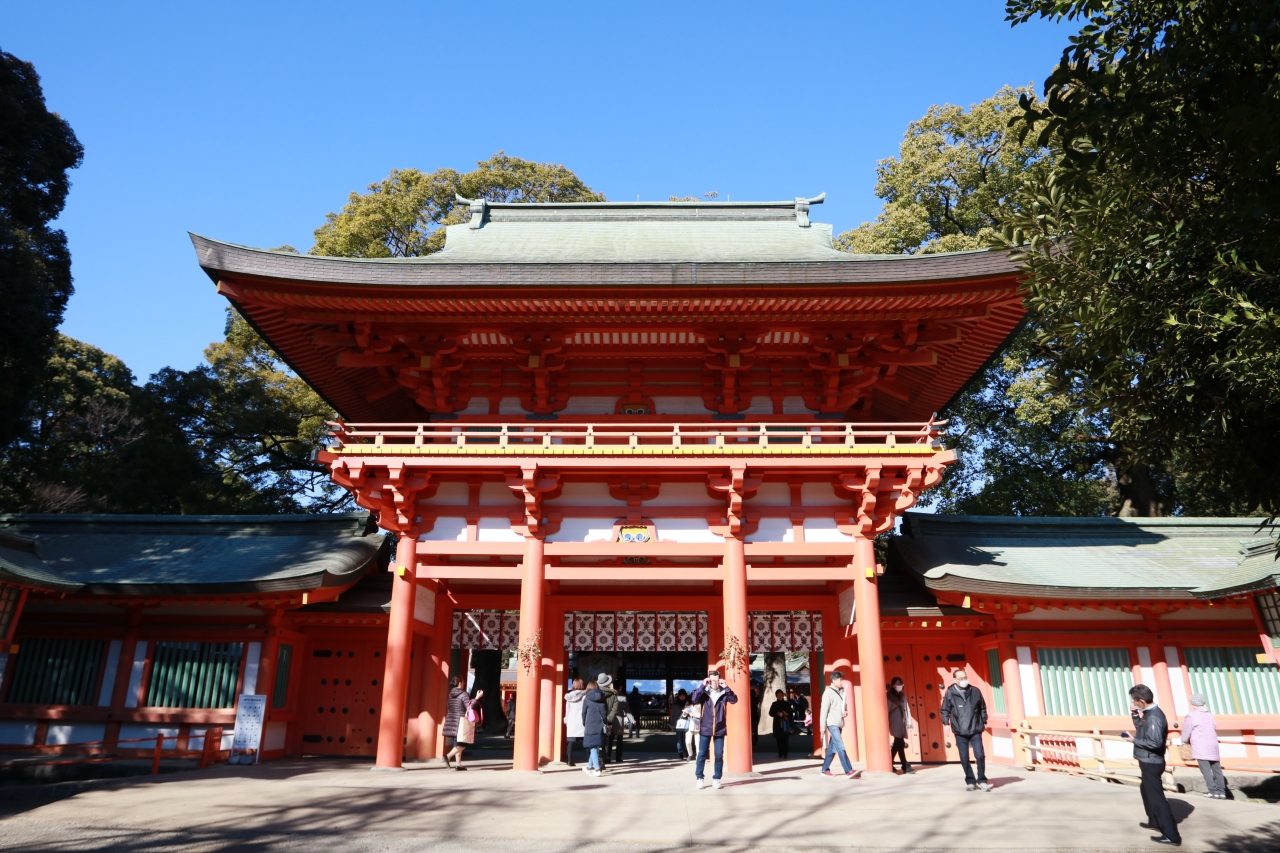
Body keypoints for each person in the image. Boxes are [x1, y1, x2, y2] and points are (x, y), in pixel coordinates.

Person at [1126, 684, 1182, 845]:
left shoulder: (1155, 717)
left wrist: (1133, 740)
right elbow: (1141, 728)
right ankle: (1154, 821)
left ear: (1142, 701)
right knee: (1146, 791)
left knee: (1157, 798)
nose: (1134, 703)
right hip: (1146, 759)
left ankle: (1172, 835)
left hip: (1152, 761)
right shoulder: (1148, 714)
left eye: (1135, 701)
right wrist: (1134, 714)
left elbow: (1155, 742)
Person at [940, 669, 988, 791]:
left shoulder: (975, 691)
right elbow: (945, 710)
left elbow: (982, 707)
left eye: (965, 677)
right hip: (960, 730)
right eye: (960, 679)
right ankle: (970, 780)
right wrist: (946, 724)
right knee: (964, 757)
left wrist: (984, 721)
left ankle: (982, 779)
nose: (964, 680)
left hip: (975, 728)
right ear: (955, 680)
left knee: (980, 755)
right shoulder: (950, 693)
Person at [689, 669, 737, 789]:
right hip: (706, 726)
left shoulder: (724, 692)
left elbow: (734, 700)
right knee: (702, 754)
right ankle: (699, 777)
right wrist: (702, 685)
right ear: (709, 680)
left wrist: (727, 687)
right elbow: (694, 699)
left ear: (719, 680)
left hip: (719, 727)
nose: (714, 682)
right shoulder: (704, 692)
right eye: (712, 680)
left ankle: (717, 778)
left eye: (716, 680)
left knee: (719, 755)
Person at [1183, 693, 1226, 799]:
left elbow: (1186, 731)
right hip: (1212, 745)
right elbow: (1214, 726)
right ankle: (1222, 792)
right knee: (1217, 769)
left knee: (1205, 769)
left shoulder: (1191, 715)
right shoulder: (1209, 715)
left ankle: (1212, 791)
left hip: (1200, 745)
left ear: (1193, 703)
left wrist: (1184, 740)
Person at [819, 671, 859, 778]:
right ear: (834, 680)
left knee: (833, 748)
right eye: (840, 679)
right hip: (832, 723)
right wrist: (822, 726)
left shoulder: (841, 692)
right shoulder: (828, 693)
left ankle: (825, 769)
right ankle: (848, 770)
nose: (842, 681)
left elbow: (842, 707)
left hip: (839, 722)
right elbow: (824, 711)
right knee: (840, 746)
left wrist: (844, 711)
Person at [444, 678, 483, 771]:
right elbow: (469, 707)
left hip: (452, 721)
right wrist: (477, 697)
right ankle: (448, 756)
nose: (464, 683)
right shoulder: (463, 694)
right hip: (461, 721)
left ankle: (458, 764)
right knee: (463, 743)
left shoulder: (451, 695)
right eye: (463, 682)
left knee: (457, 743)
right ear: (460, 683)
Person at [887, 677, 916, 774]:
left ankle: (889, 762)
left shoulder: (902, 695)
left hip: (902, 720)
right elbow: (886, 710)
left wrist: (909, 721)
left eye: (901, 683)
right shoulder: (888, 695)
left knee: (897, 743)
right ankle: (904, 764)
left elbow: (906, 708)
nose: (900, 686)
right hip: (894, 720)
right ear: (893, 685)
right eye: (897, 684)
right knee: (900, 742)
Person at [581, 679, 608, 777]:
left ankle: (597, 769)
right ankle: (588, 767)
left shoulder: (587, 699)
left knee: (592, 747)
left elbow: (583, 713)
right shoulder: (603, 698)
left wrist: (584, 723)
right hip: (600, 725)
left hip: (590, 725)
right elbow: (605, 713)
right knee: (595, 746)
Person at [598, 674, 622, 765]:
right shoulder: (614, 695)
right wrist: (609, 719)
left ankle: (598, 760)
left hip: (597, 720)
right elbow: (614, 709)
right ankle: (606, 758)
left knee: (597, 741)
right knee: (607, 741)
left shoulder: (595, 693)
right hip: (608, 721)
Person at [563, 678, 587, 767]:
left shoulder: (569, 697)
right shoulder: (584, 696)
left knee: (571, 741)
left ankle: (570, 760)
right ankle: (590, 759)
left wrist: (566, 719)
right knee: (586, 741)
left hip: (572, 720)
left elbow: (567, 710)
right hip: (581, 720)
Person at [769, 688, 793, 760]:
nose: (779, 696)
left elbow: (791, 713)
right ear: (776, 696)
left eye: (780, 695)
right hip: (777, 723)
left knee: (785, 739)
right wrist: (777, 713)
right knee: (778, 739)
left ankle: (785, 753)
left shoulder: (787, 704)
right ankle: (780, 753)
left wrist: (786, 713)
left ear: (783, 695)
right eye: (778, 695)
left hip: (785, 723)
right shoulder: (774, 704)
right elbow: (770, 713)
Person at [681, 693, 702, 762]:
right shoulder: (688, 706)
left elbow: (702, 715)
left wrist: (694, 714)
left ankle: (698, 756)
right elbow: (683, 716)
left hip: (697, 725)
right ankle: (690, 753)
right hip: (689, 725)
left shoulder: (700, 705)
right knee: (688, 742)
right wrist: (684, 713)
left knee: (697, 742)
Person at [671, 689, 690, 760]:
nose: (682, 697)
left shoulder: (688, 703)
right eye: (680, 696)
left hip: (687, 722)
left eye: (683, 696)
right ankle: (680, 753)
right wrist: (673, 724)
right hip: (678, 723)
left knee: (687, 739)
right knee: (679, 740)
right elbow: (673, 715)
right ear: (678, 696)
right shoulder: (675, 704)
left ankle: (688, 753)